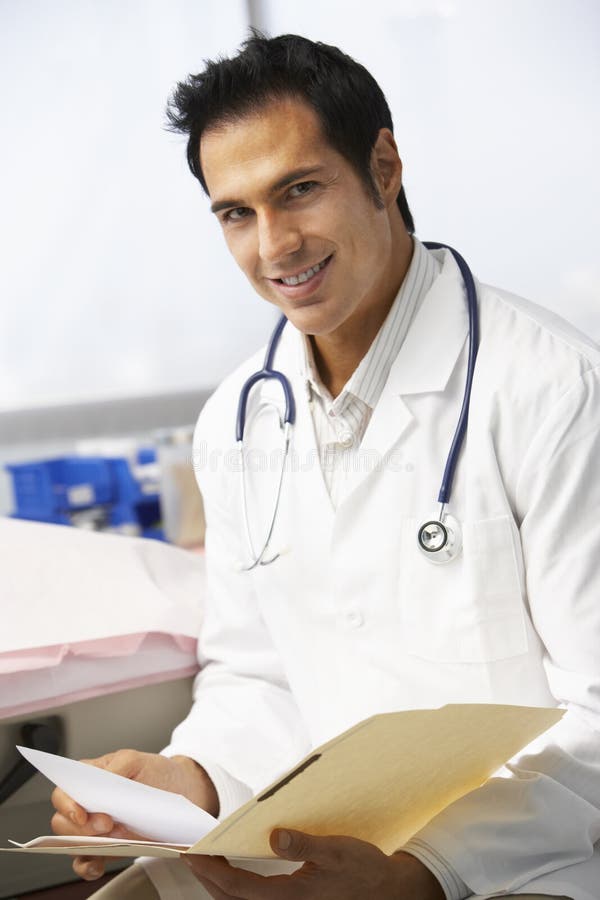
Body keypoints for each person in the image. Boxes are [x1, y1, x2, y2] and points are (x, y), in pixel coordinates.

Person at [50, 33, 599, 900]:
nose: (274, 247)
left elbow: (596, 715)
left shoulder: (552, 388)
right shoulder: (236, 419)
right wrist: (190, 778)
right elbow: (259, 673)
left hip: (528, 860)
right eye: (236, 213)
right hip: (324, 849)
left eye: (298, 190)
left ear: (383, 167)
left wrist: (420, 874)